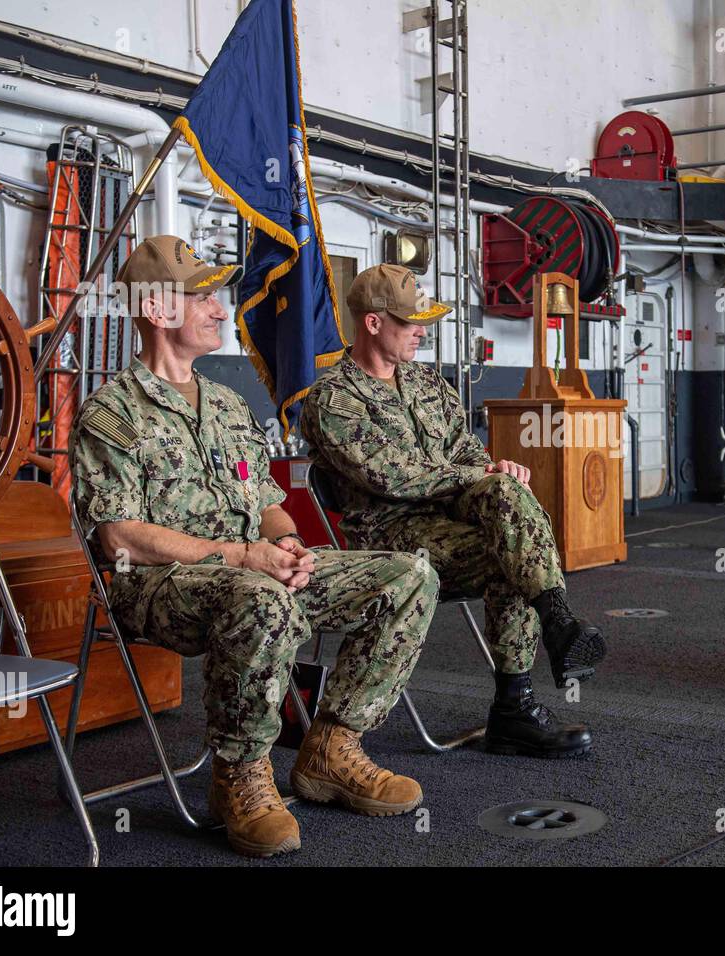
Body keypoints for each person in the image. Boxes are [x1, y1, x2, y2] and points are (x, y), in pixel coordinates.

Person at [69, 237, 441, 859]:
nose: (221, 310)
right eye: (204, 298)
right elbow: (120, 536)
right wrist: (244, 558)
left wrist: (288, 544)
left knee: (408, 577)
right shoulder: (113, 413)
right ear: (158, 312)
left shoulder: (227, 403)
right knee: (262, 599)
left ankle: (333, 744)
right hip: (157, 586)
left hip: (255, 569)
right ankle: (239, 775)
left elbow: (266, 498)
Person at [300, 264, 604, 758]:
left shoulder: (426, 383)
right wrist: (474, 476)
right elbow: (391, 476)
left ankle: (554, 623)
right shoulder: (333, 399)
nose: (422, 330)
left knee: (507, 499)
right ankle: (517, 702)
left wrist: (490, 467)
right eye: (410, 321)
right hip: (390, 536)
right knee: (513, 555)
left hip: (450, 517)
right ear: (373, 323)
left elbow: (463, 451)